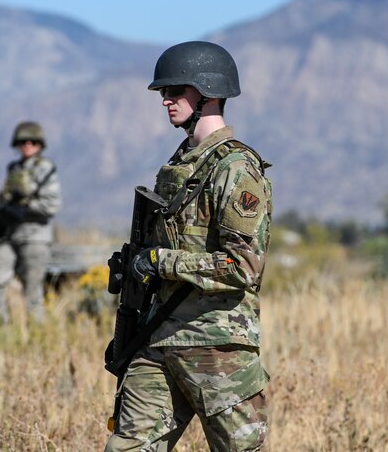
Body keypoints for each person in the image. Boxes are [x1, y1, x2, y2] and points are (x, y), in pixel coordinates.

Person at [106, 41, 272, 451]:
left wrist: (161, 261)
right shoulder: (183, 165)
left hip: (217, 346)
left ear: (209, 94)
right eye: (164, 92)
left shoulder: (236, 169)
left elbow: (243, 268)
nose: (166, 100)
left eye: (176, 90)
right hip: (161, 337)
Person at [0, 121, 62, 324]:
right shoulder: (14, 168)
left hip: (35, 237)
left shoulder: (45, 168)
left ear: (40, 144)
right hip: (10, 235)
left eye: (33, 141)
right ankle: (4, 331)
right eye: (23, 141)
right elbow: (6, 198)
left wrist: (24, 208)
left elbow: (51, 205)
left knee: (32, 292)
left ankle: (38, 337)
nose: (28, 144)